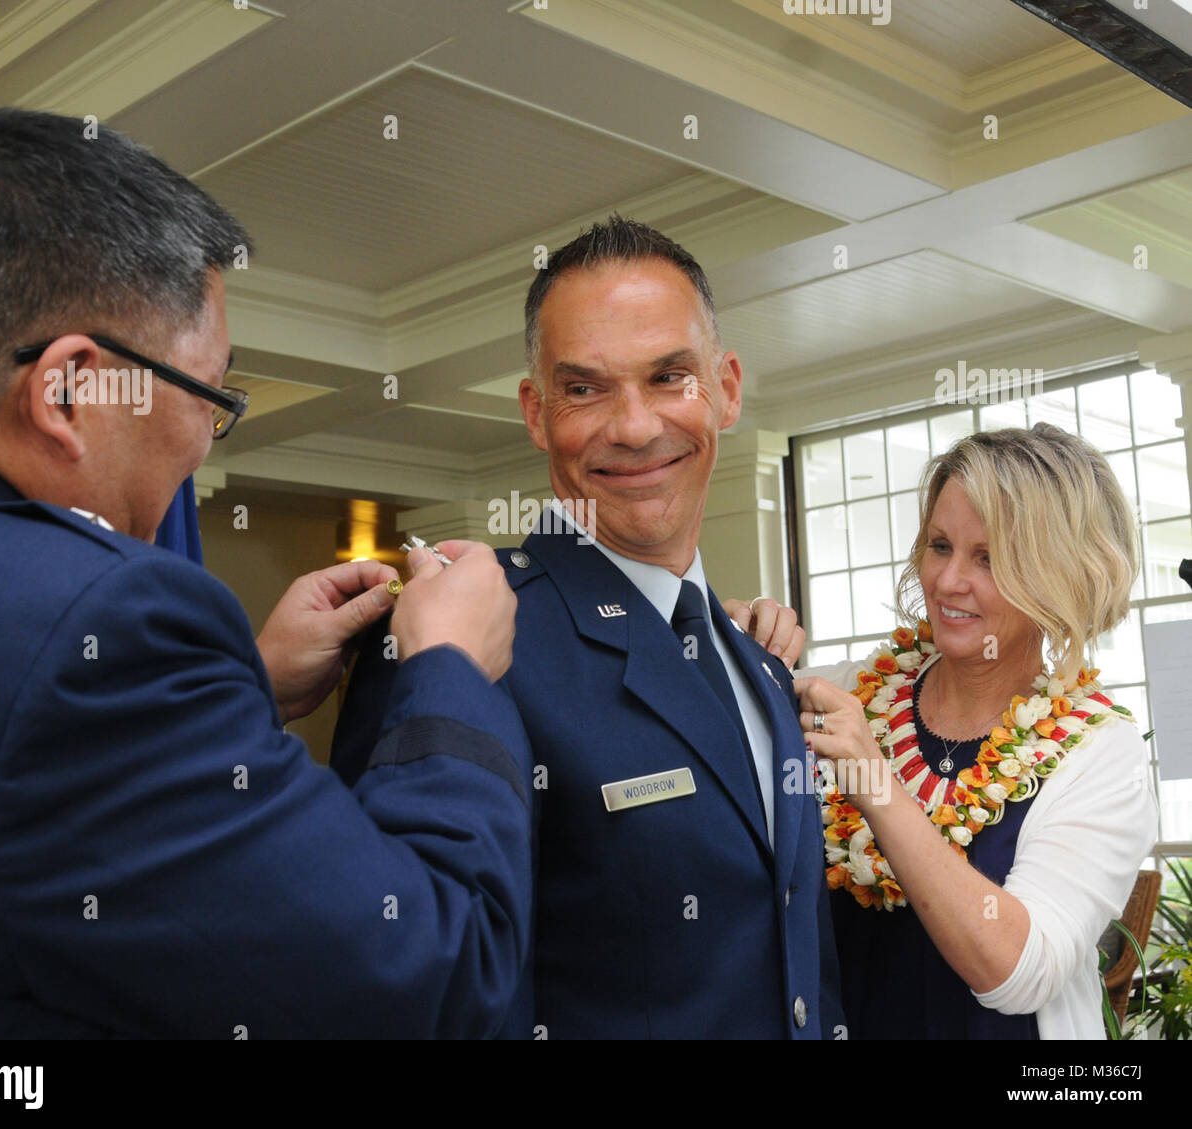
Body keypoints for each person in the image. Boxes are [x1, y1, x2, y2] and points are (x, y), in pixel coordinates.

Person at [0, 109, 533, 1038]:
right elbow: (434, 977)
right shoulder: (101, 622)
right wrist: (449, 673)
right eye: (212, 393)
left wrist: (247, 691)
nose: (205, 440)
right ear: (72, 389)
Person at [334, 217, 842, 1038]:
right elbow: (401, 984)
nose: (635, 426)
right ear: (535, 413)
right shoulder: (455, 642)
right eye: (584, 388)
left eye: (669, 376)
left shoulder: (756, 656)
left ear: (727, 388)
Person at [730, 424, 1158, 1039]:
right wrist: (732, 645)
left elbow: (1019, 970)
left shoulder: (1100, 752)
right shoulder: (849, 692)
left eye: (988, 558)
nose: (948, 581)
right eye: (939, 545)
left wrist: (875, 785)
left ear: (1062, 574)